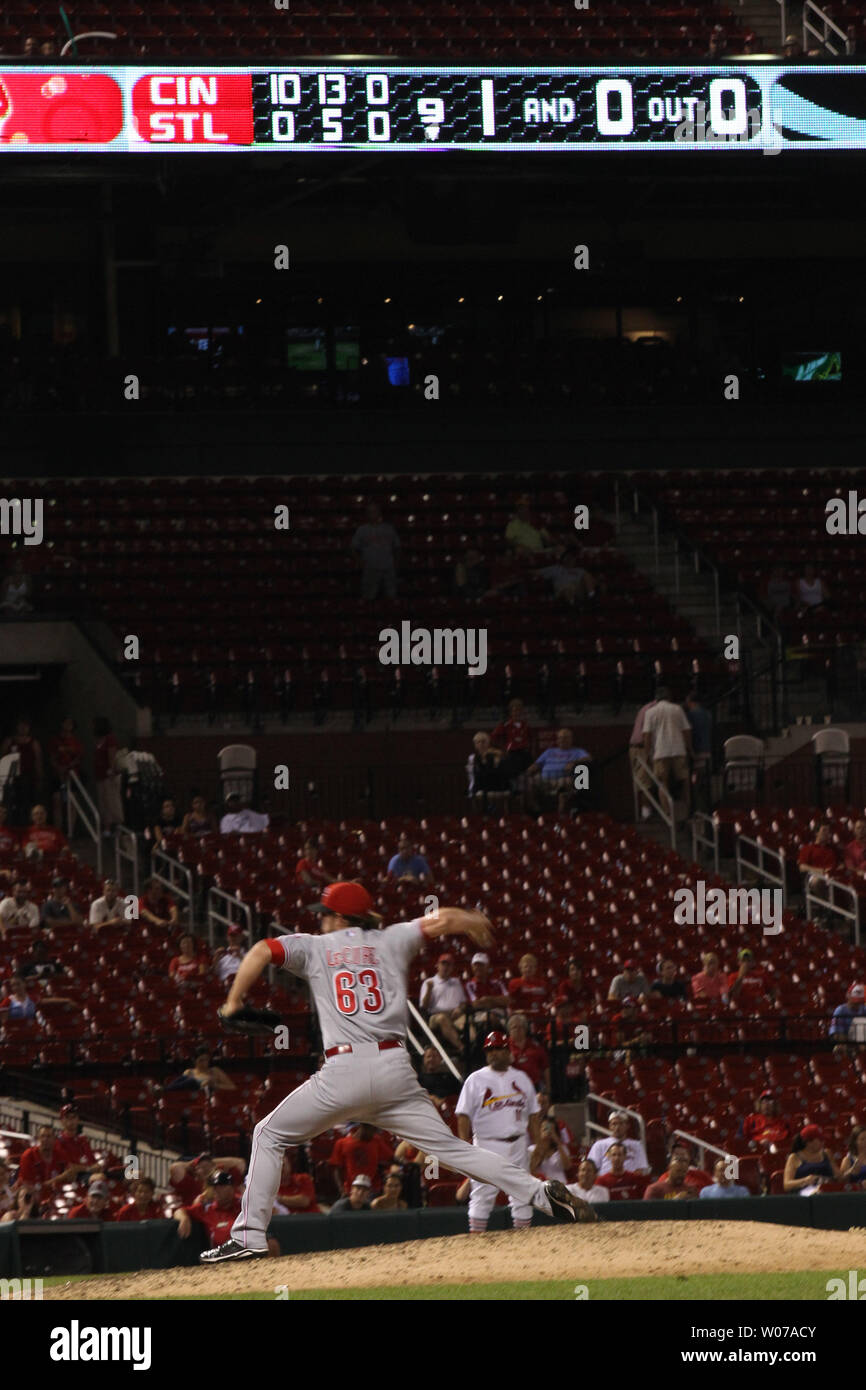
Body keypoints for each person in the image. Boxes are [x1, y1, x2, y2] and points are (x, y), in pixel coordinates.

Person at [203, 881, 590, 1261]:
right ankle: (541, 1194)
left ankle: (251, 1234)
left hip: (345, 1070)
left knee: (268, 1134)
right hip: (395, 1069)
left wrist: (234, 1003)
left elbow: (258, 951)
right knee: (454, 1150)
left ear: (339, 918)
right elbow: (440, 920)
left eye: (325, 916)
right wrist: (472, 919)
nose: (321, 922)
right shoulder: (392, 939)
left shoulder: (314, 947)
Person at [455, 1030, 543, 1233]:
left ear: (508, 1050)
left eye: (498, 1049)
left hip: (518, 1142)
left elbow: (534, 1114)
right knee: (482, 1194)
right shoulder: (475, 1079)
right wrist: (463, 1146)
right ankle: (477, 1241)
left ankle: (523, 1240)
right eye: (490, 1050)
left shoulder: (521, 1078)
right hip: (487, 1144)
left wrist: (538, 1144)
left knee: (523, 1193)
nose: (494, 1053)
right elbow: (463, 1115)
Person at [642, 687, 692, 818]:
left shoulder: (650, 712)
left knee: (662, 783)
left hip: (660, 752)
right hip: (679, 749)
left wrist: (647, 754)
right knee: (684, 780)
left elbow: (647, 735)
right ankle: (687, 810)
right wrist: (689, 748)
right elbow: (686, 731)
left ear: (656, 698)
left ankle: (668, 813)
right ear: (669, 697)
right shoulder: (677, 709)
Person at [525, 728, 591, 815]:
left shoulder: (578, 751)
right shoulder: (549, 751)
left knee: (565, 784)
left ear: (571, 739)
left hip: (564, 778)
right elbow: (537, 764)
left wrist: (574, 762)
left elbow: (589, 759)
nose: (562, 740)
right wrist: (527, 771)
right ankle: (535, 811)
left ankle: (560, 814)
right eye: (560, 738)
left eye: (565, 737)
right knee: (527, 781)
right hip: (545, 779)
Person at [350, 502, 400, 601]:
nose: (372, 514)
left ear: (379, 513)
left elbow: (397, 547)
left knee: (391, 597)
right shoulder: (362, 530)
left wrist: (396, 563)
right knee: (369, 597)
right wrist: (360, 562)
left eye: (374, 511)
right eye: (370, 512)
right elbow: (353, 548)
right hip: (370, 569)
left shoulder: (389, 528)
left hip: (388, 569)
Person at [328, 1122, 394, 1197]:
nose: (373, 1134)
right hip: (351, 1189)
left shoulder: (376, 1140)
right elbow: (336, 1169)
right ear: (363, 1127)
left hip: (372, 1189)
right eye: (372, 1130)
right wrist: (341, 1190)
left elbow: (391, 1157)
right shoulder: (342, 1143)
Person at [419, 952, 467, 1053]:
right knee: (442, 1019)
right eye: (443, 964)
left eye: (449, 965)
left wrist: (460, 1009)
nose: (446, 967)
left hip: (455, 1014)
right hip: (435, 1016)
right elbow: (424, 1006)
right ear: (438, 966)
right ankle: (462, 1047)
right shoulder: (429, 982)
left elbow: (463, 1002)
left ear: (452, 967)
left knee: (467, 1021)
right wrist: (429, 990)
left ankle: (473, 1045)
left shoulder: (456, 982)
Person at [586, 1110, 650, 1175]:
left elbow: (640, 1169)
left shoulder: (637, 1145)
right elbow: (591, 1168)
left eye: (621, 1123)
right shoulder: (599, 1145)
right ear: (610, 1126)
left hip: (629, 1182)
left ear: (627, 1125)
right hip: (605, 1182)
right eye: (614, 1124)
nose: (617, 1127)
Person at [48, 717, 84, 829]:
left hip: (73, 776)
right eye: (66, 722)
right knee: (57, 801)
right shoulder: (55, 741)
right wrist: (59, 767)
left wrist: (69, 766)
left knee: (73, 803)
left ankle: (70, 830)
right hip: (58, 776)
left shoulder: (76, 742)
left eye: (71, 723)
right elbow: (52, 757)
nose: (68, 725)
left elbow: (79, 758)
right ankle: (58, 830)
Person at [782, 1125, 842, 1193]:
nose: (823, 1142)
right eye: (820, 1140)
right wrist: (806, 1180)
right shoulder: (794, 1157)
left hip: (826, 1190)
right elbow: (787, 1185)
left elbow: (838, 1176)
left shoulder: (827, 1153)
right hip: (805, 1193)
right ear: (808, 1142)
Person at [1, 718, 43, 813]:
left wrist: (39, 777)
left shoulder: (34, 743)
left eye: (26, 726)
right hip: (10, 777)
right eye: (21, 725)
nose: (23, 728)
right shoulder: (9, 741)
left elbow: (38, 761)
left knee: (26, 802)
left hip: (27, 777)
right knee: (9, 803)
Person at [491, 698, 533, 790]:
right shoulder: (505, 725)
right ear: (511, 712)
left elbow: (531, 739)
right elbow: (494, 737)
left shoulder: (526, 726)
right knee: (514, 777)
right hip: (513, 754)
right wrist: (503, 749)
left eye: (519, 710)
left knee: (528, 778)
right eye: (515, 711)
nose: (517, 713)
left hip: (525, 754)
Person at [53, 1103, 100, 1183]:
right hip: (73, 1178)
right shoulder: (58, 1141)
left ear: (78, 1119)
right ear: (61, 1121)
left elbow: (94, 1164)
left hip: (88, 1173)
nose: (71, 1121)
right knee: (99, 1179)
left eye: (74, 1117)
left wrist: (91, 1168)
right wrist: (89, 1168)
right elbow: (70, 1168)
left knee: (125, 1175)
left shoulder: (83, 1140)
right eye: (67, 1117)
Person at [628, 698, 658, 820]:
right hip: (641, 748)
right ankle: (646, 813)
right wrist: (648, 754)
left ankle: (647, 811)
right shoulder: (652, 709)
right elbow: (647, 733)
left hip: (638, 747)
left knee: (646, 780)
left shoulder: (646, 707)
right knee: (645, 781)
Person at [92, 717, 122, 835]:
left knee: (111, 801)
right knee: (103, 802)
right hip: (100, 775)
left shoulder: (110, 739)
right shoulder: (98, 740)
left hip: (109, 775)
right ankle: (106, 826)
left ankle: (117, 826)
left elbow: (112, 756)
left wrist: (111, 770)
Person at [466, 731, 510, 812]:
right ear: (475, 745)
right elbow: (473, 775)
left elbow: (498, 771)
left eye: (483, 742)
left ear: (488, 743)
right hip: (479, 783)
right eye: (478, 742)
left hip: (495, 782)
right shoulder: (473, 758)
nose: (481, 744)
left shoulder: (496, 755)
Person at [506, 1012, 549, 1091]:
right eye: (514, 1027)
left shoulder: (535, 1046)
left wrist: (548, 1090)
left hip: (534, 1086)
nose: (518, 1030)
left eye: (521, 1027)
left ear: (526, 1029)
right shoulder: (504, 1047)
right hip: (512, 1088)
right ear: (509, 1031)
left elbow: (545, 1068)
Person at [504, 494, 554, 558]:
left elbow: (548, 539)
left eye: (525, 508)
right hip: (524, 551)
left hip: (540, 550)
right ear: (517, 511)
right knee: (520, 550)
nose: (523, 510)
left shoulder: (536, 522)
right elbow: (508, 541)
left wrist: (552, 542)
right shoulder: (512, 525)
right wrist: (521, 546)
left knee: (560, 549)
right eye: (520, 508)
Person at [167, 1049, 235, 1094]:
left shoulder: (215, 1070)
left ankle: (164, 1090)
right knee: (185, 1078)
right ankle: (165, 1089)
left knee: (192, 1080)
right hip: (194, 1095)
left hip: (208, 1094)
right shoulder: (189, 1071)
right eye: (201, 1060)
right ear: (195, 1061)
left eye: (206, 1059)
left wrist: (214, 1085)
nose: (205, 1062)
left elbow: (232, 1087)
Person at [829, 982, 866, 1053]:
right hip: (846, 1043)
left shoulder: (864, 1009)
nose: (858, 1003)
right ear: (848, 996)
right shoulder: (841, 1010)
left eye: (860, 1001)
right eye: (855, 1000)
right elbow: (837, 1034)